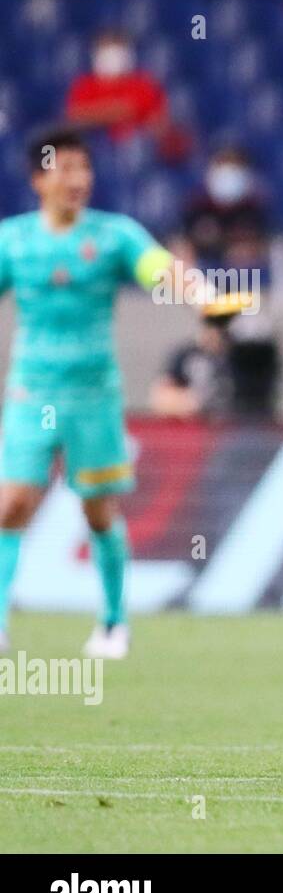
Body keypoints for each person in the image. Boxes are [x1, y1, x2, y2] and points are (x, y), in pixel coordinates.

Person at [0, 129, 246, 659]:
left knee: (97, 511)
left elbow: (159, 269)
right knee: (11, 503)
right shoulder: (13, 240)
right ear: (39, 178)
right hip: (30, 389)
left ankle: (114, 622)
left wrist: (204, 296)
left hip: (93, 394)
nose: (79, 179)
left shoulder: (113, 234)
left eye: (85, 168)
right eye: (66, 168)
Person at [65, 29, 169, 143]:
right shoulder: (84, 85)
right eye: (106, 52)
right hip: (95, 146)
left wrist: (98, 114)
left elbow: (158, 123)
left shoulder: (143, 84)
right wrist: (115, 112)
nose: (112, 59)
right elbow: (75, 117)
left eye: (118, 52)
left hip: (132, 146)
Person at [179, 147, 271, 271]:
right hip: (202, 277)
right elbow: (182, 244)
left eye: (233, 167)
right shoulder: (197, 206)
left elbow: (269, 248)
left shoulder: (255, 209)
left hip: (248, 281)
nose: (227, 175)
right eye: (222, 166)